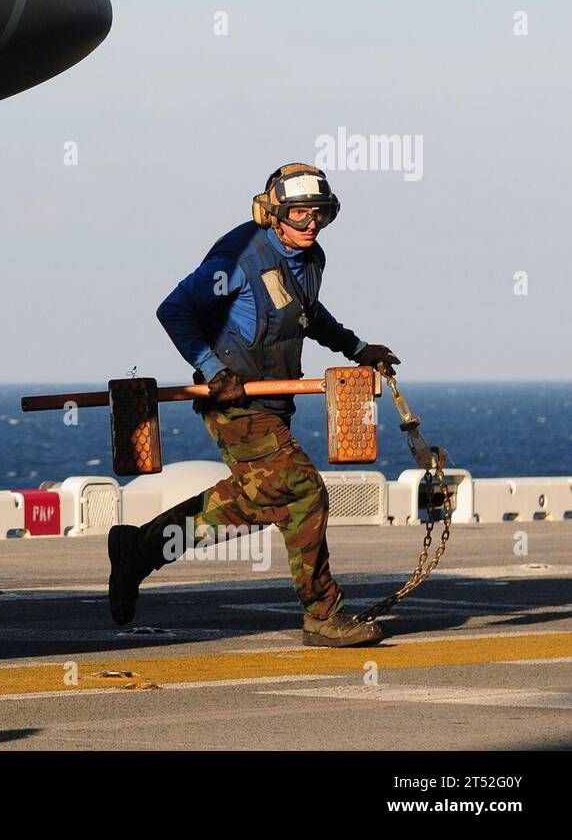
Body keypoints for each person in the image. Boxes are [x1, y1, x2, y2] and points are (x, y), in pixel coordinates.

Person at [109, 163, 398, 646]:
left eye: (321, 214)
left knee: (264, 501)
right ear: (272, 213)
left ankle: (138, 550)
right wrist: (213, 370)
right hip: (236, 405)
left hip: (273, 403)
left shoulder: (311, 258)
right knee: (303, 492)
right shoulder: (238, 257)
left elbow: (307, 313)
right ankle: (323, 615)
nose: (311, 224)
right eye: (300, 214)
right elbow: (174, 309)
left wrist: (356, 348)